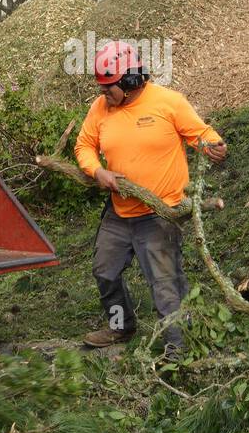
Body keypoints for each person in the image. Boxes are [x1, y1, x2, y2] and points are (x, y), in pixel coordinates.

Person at [74, 41, 227, 354]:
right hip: (120, 211)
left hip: (160, 213)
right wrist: (97, 172)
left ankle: (178, 350)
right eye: (101, 88)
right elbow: (84, 147)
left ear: (130, 81)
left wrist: (213, 145)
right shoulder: (100, 108)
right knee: (105, 271)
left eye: (108, 88)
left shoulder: (168, 102)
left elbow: (201, 134)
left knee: (165, 284)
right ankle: (121, 326)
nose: (103, 94)